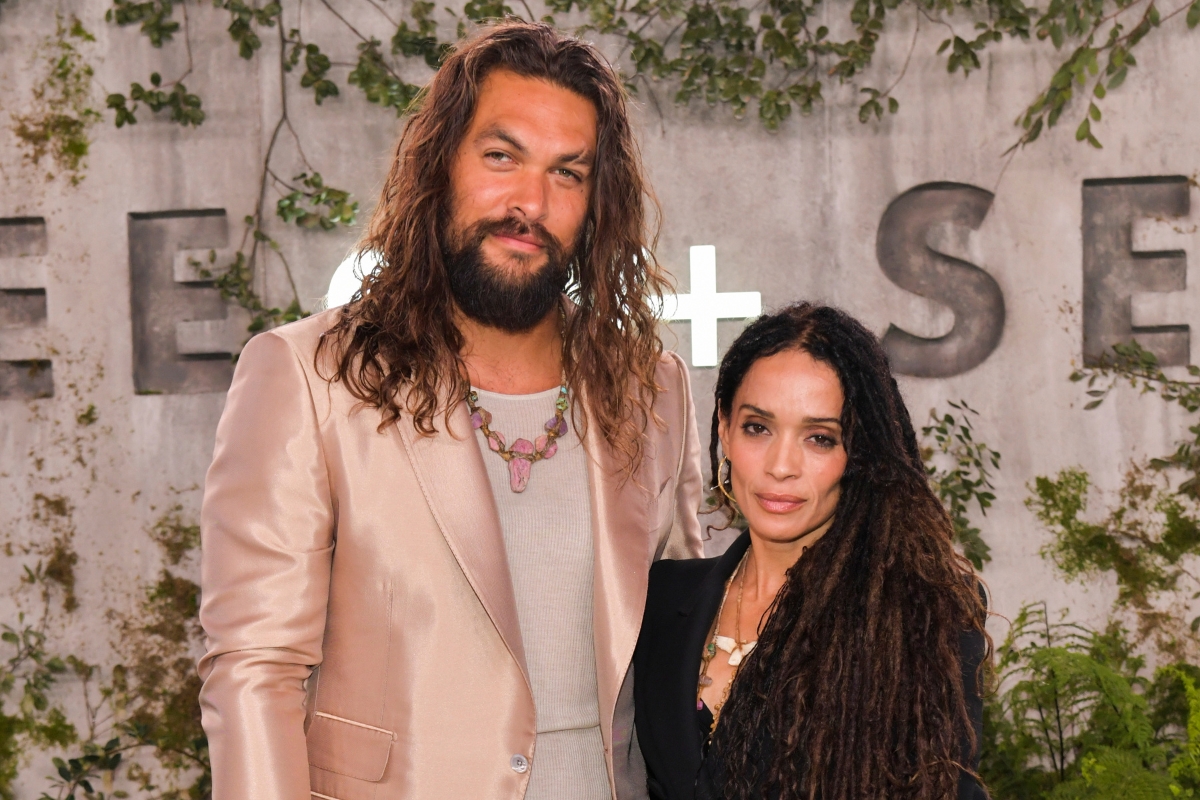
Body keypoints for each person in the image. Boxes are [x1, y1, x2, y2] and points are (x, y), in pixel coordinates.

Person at [197, 21, 704, 800]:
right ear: (440, 164)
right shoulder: (308, 376)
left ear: (597, 204)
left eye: (567, 173)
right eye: (502, 157)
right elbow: (254, 672)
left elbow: (682, 648)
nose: (530, 202)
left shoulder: (650, 387)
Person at [633, 303, 990, 800]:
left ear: (858, 453)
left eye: (820, 438)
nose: (781, 466)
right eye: (758, 427)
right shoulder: (662, 597)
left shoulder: (918, 610)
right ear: (725, 429)